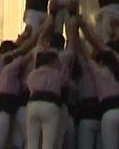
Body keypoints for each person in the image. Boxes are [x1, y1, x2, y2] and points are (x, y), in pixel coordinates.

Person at [75, 17, 119, 149]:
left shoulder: (99, 72)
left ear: (101, 62)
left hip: (109, 113)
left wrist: (78, 34)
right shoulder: (118, 72)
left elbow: (86, 54)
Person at [25, 16, 77, 149]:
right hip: (56, 103)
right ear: (62, 44)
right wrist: (72, 23)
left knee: (32, 143)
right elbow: (72, 43)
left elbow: (39, 40)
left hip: (33, 103)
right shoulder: (65, 57)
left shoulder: (39, 56)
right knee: (53, 142)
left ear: (48, 43)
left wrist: (50, 21)